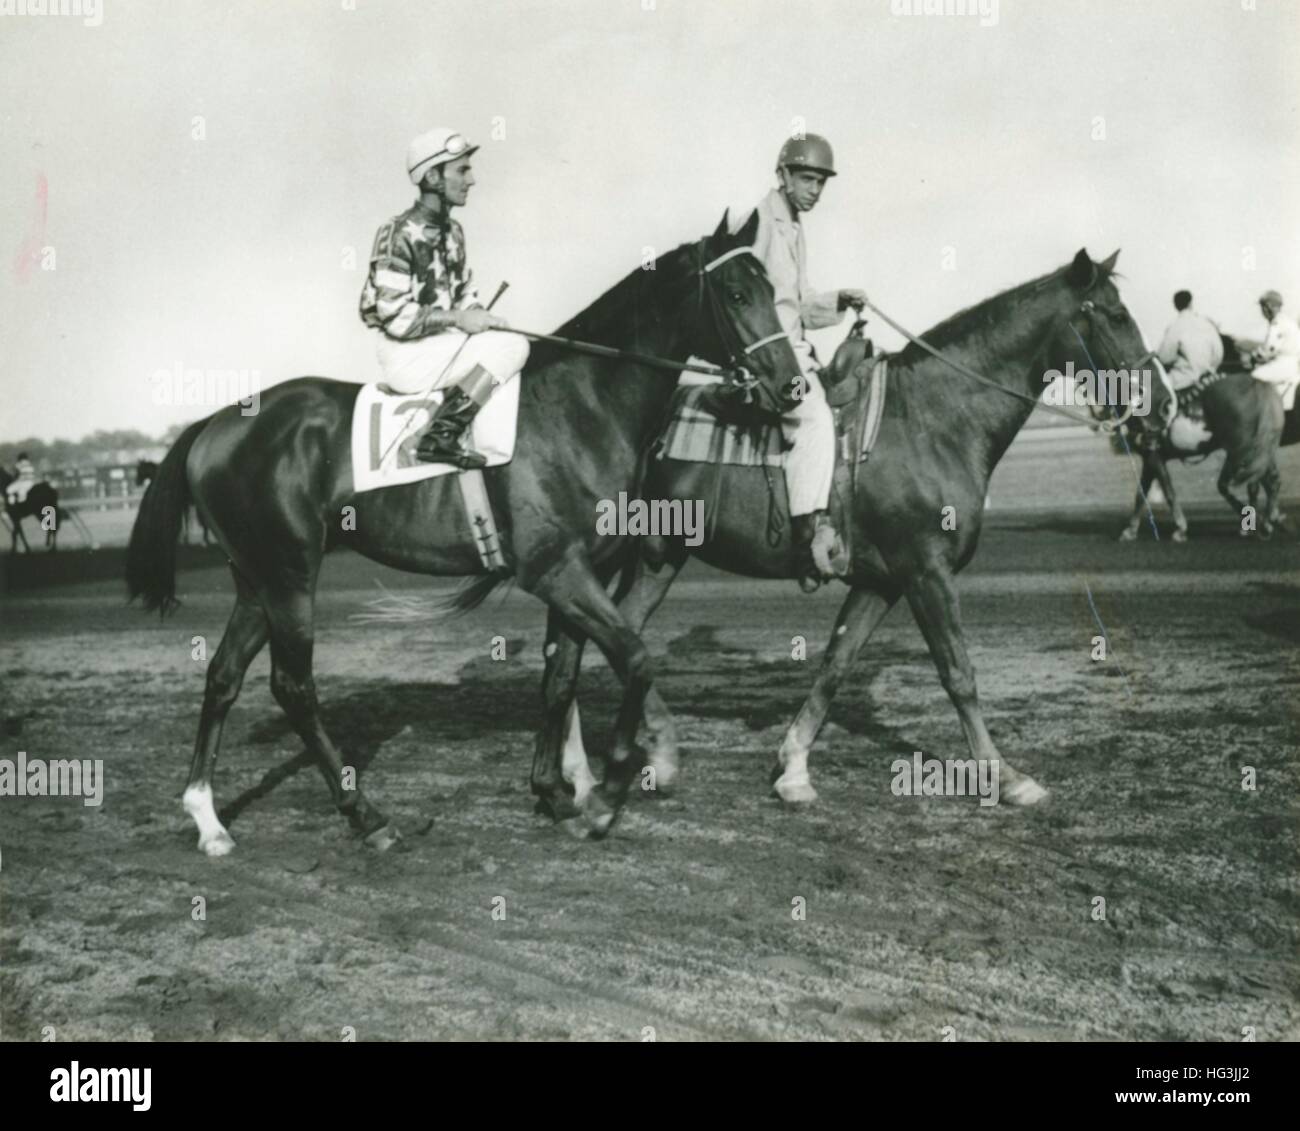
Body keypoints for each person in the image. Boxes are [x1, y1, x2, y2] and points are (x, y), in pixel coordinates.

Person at [725, 133, 866, 591]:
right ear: (782, 175)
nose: (815, 190)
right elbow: (735, 298)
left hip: (793, 354)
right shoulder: (756, 221)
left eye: (821, 182)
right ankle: (808, 537)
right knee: (815, 420)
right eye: (807, 179)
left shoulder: (793, 227)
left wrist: (837, 301)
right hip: (769, 362)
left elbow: (798, 303)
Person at [359, 127, 529, 467]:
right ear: (433, 176)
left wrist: (481, 315)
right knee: (515, 347)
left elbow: (462, 294)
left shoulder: (454, 233)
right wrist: (459, 319)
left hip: (438, 347)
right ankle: (440, 437)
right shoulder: (396, 233)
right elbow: (396, 318)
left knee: (505, 337)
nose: (472, 180)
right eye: (462, 170)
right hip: (405, 355)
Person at [1156, 290, 1223, 393]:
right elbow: (1218, 354)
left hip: (1182, 379)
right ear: (1191, 303)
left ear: (1175, 306)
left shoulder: (1175, 326)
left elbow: (1165, 358)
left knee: (1150, 393)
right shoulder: (1207, 324)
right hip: (1209, 378)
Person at [1247, 290, 1300, 411]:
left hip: (1284, 364)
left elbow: (1269, 349)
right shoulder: (1288, 322)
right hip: (1292, 364)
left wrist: (1254, 356)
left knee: (1254, 377)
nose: (1262, 311)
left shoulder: (1277, 323)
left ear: (1268, 307)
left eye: (1262, 307)